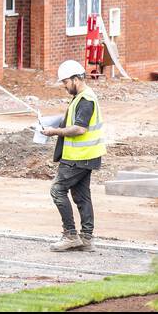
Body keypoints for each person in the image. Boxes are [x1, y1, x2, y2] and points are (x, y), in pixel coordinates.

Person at [40, 59, 106, 252]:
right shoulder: (83, 97)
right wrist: (59, 122)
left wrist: (54, 132)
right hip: (88, 156)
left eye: (66, 82)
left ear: (76, 79)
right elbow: (76, 121)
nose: (64, 86)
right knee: (81, 195)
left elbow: (79, 129)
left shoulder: (85, 99)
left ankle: (70, 235)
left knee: (57, 190)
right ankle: (86, 239)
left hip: (78, 156)